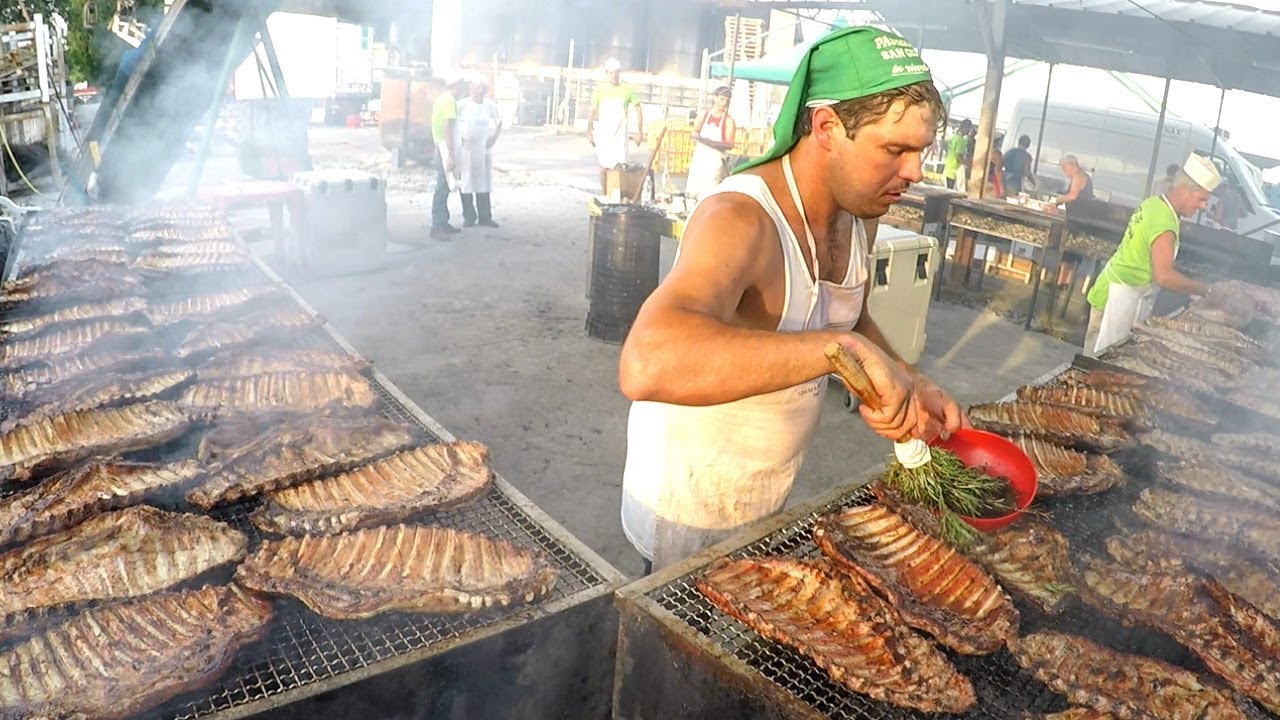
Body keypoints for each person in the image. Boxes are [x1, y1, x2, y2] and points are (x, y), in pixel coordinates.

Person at [618, 26, 966, 572]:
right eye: (895, 149)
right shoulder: (740, 219)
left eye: (920, 151)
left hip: (767, 492)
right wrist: (839, 350)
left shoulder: (859, 215)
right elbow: (647, 362)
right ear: (827, 126)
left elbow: (848, 315)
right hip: (690, 502)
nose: (914, 172)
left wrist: (908, 377)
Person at [1083, 153, 1220, 356]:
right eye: (1201, 199)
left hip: (1119, 291)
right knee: (1096, 365)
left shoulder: (1155, 203)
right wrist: (1205, 290)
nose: (1203, 207)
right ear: (1185, 190)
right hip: (1117, 299)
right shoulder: (1164, 221)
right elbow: (1163, 277)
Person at [586, 58, 645, 194]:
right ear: (606, 73)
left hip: (620, 135)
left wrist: (639, 131)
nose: (614, 76)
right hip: (604, 134)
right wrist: (589, 130)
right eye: (611, 73)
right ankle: (604, 193)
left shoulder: (627, 89)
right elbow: (593, 110)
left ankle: (617, 194)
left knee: (619, 168)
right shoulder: (599, 90)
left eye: (616, 72)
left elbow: (638, 109)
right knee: (604, 167)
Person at [456, 79, 503, 228]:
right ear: (471, 88)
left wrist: (493, 138)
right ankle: (469, 217)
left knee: (484, 183)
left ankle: (485, 217)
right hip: (467, 151)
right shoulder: (462, 105)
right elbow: (453, 124)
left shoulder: (490, 106)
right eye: (477, 88)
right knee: (466, 183)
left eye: (483, 88)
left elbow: (499, 123)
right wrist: (460, 139)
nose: (480, 91)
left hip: (484, 151)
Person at [430, 72, 469, 238]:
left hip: (440, 146)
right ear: (458, 84)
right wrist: (451, 154)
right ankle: (437, 226)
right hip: (445, 149)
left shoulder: (442, 99)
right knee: (443, 186)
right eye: (463, 83)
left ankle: (442, 222)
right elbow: (447, 128)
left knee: (445, 186)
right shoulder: (449, 101)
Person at [684, 86, 738, 199]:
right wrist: (697, 137)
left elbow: (730, 144)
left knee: (710, 190)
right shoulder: (704, 116)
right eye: (722, 99)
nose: (724, 103)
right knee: (693, 188)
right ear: (715, 98)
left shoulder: (729, 121)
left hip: (715, 159)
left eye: (727, 100)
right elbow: (694, 131)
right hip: (700, 157)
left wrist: (712, 143)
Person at [943, 119, 971, 190]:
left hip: (948, 168)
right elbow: (959, 159)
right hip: (955, 171)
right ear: (965, 128)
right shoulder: (961, 140)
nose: (969, 131)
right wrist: (969, 163)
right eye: (969, 128)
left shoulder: (953, 137)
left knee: (947, 191)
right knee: (954, 193)